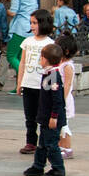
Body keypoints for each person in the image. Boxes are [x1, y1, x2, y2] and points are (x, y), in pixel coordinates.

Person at [23, 43, 67, 176]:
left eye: (41, 58)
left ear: (45, 59)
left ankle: (58, 168)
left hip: (52, 118)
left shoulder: (53, 76)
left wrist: (54, 116)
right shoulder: (48, 74)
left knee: (51, 144)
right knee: (42, 144)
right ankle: (38, 165)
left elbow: (57, 99)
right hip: (45, 116)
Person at [16, 9, 55, 155]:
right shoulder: (27, 41)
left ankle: (44, 142)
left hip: (43, 85)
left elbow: (52, 67)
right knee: (29, 116)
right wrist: (19, 83)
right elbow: (23, 63)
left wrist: (51, 87)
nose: (32, 26)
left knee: (43, 115)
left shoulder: (50, 43)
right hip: (28, 83)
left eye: (35, 23)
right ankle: (31, 142)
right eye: (31, 23)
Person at [5, 0, 39, 74]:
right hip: (30, 27)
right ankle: (19, 86)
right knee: (21, 57)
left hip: (19, 28)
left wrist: (5, 10)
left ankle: (23, 76)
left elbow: (13, 12)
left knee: (11, 55)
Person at [56, 34, 77, 158]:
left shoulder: (67, 66)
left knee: (64, 125)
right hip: (58, 97)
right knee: (60, 125)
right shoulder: (59, 64)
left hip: (64, 99)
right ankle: (60, 145)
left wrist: (61, 100)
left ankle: (67, 147)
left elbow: (67, 84)